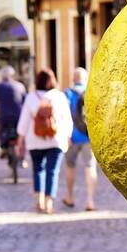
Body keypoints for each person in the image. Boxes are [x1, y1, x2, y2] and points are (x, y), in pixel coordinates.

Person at [16, 68, 73, 214]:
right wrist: (68, 136)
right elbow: (67, 119)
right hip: (56, 140)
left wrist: (20, 139)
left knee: (38, 169)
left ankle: (38, 200)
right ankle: (49, 203)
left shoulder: (30, 97)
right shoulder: (59, 96)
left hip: (34, 140)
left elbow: (24, 121)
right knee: (52, 171)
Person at [62, 66, 97, 211]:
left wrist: (65, 135)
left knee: (70, 166)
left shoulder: (67, 93)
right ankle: (90, 201)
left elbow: (62, 115)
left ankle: (70, 197)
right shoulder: (92, 93)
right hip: (89, 137)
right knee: (90, 166)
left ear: (73, 79)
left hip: (72, 137)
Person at [0, 66, 26, 154]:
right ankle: (22, 155)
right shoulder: (20, 86)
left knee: (0, 130)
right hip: (18, 115)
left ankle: (3, 146)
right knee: (21, 133)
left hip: (3, 115)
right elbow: (25, 101)